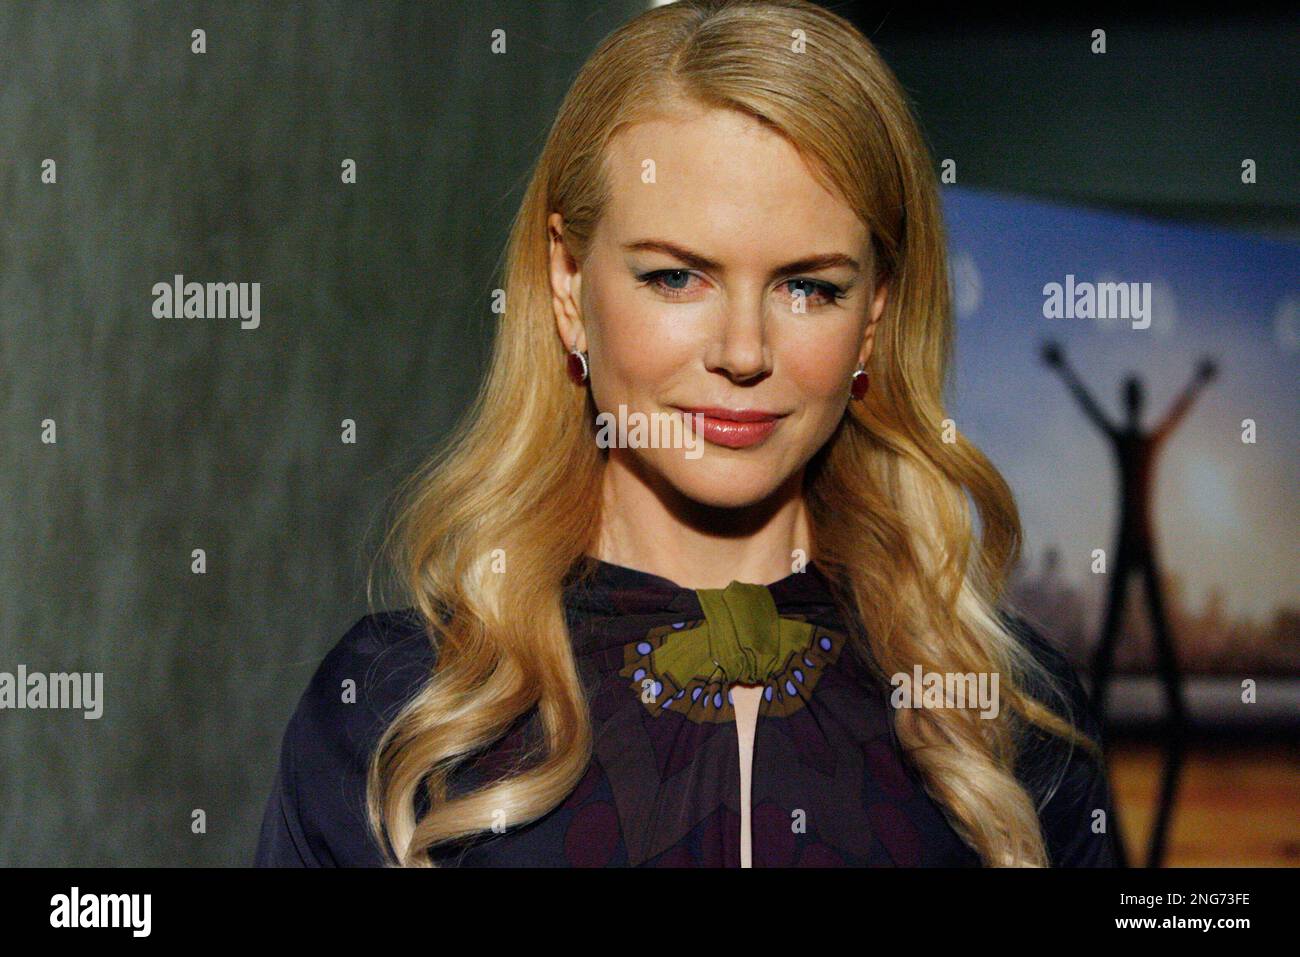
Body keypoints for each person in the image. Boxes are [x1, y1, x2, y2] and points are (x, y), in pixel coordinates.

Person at [255, 0, 1117, 868]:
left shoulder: (1006, 720)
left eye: (809, 287)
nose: (744, 352)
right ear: (567, 279)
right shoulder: (398, 710)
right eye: (676, 276)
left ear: (874, 316)